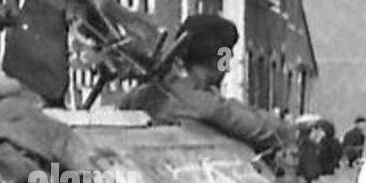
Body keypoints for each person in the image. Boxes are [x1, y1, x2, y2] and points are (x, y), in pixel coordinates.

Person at [119, 13, 292, 157]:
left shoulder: (149, 92)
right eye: (226, 57)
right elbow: (261, 129)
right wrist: (291, 129)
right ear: (217, 59)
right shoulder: (201, 104)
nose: (228, 65)